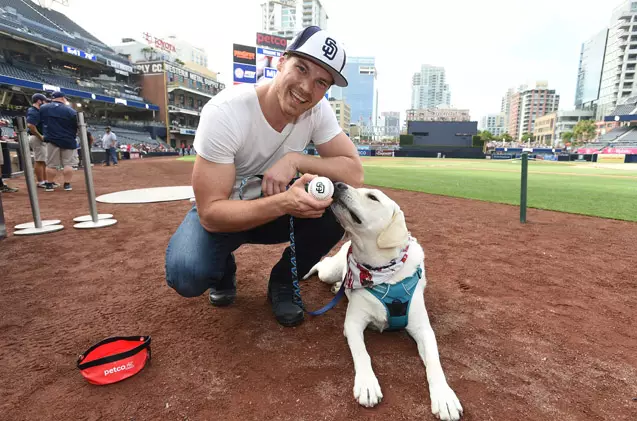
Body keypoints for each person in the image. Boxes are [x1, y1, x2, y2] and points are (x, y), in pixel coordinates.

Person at [165, 26, 364, 327]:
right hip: (227, 215)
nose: (307, 88)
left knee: (336, 210)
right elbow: (210, 213)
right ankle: (221, 269)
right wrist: (285, 202)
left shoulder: (318, 112)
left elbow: (354, 171)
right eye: (301, 68)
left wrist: (295, 159)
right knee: (187, 273)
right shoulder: (226, 112)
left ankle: (284, 280)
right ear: (281, 62)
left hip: (277, 212)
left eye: (321, 82)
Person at [39, 92, 78, 192]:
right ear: (63, 98)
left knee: (51, 164)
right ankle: (67, 184)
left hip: (51, 139)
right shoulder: (70, 110)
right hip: (68, 140)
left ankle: (49, 185)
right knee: (68, 164)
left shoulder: (44, 108)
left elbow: (38, 121)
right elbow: (76, 125)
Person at [26, 93, 49, 188]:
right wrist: (40, 136)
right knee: (39, 160)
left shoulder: (37, 111)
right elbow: (30, 125)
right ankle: (41, 182)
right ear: (39, 101)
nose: (45, 103)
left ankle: (45, 181)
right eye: (44, 101)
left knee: (43, 160)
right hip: (36, 138)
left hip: (39, 138)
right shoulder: (33, 110)